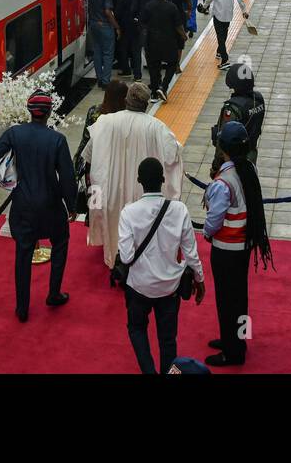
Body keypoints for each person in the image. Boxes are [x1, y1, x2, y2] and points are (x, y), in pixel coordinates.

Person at [0, 91, 78, 322]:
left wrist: (9, 180)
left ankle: (22, 308)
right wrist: (72, 205)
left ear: (29, 110)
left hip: (23, 204)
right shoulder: (57, 140)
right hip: (51, 206)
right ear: (48, 113)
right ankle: (54, 293)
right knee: (60, 243)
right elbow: (67, 177)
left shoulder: (15, 133)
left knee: (23, 253)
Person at [118, 157, 206, 374]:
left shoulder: (128, 213)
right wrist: (199, 278)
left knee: (137, 329)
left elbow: (127, 257)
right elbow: (190, 251)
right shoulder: (179, 210)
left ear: (139, 181)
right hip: (169, 288)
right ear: (163, 180)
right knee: (168, 339)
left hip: (139, 286)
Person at [87, 82, 184, 270]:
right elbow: (173, 155)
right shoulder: (157, 127)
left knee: (115, 226)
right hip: (143, 191)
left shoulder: (106, 122)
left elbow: (90, 154)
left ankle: (115, 261)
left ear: (126, 100)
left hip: (112, 189)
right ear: (146, 104)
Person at [202, 121, 273, 367]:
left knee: (226, 299)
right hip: (243, 246)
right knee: (239, 297)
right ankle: (238, 340)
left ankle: (232, 352)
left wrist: (207, 234)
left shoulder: (224, 181)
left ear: (223, 148)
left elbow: (214, 218)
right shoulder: (248, 168)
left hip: (226, 250)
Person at [74, 80, 128, 216]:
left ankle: (94, 226)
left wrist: (76, 165)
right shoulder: (127, 117)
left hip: (94, 167)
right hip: (117, 168)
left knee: (96, 205)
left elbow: (85, 140)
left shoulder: (94, 111)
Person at [210, 59, 265, 173]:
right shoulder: (258, 99)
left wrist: (216, 166)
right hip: (251, 156)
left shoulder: (232, 108)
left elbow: (222, 139)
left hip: (232, 163)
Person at [141, 0, 188, 101]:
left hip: (152, 41)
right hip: (168, 42)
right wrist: (184, 36)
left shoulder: (148, 6)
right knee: (172, 64)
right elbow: (178, 25)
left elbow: (143, 24)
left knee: (153, 66)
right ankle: (163, 87)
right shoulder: (172, 7)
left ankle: (153, 94)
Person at [200, 0, 248, 68]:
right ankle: (219, 51)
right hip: (228, 12)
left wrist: (204, 7)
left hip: (218, 12)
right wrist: (244, 10)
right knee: (224, 33)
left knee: (219, 36)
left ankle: (225, 59)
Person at [87, 0, 120, 87]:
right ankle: (106, 81)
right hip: (105, 25)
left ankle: (99, 79)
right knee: (108, 53)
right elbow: (107, 11)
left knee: (97, 51)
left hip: (93, 24)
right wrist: (117, 26)